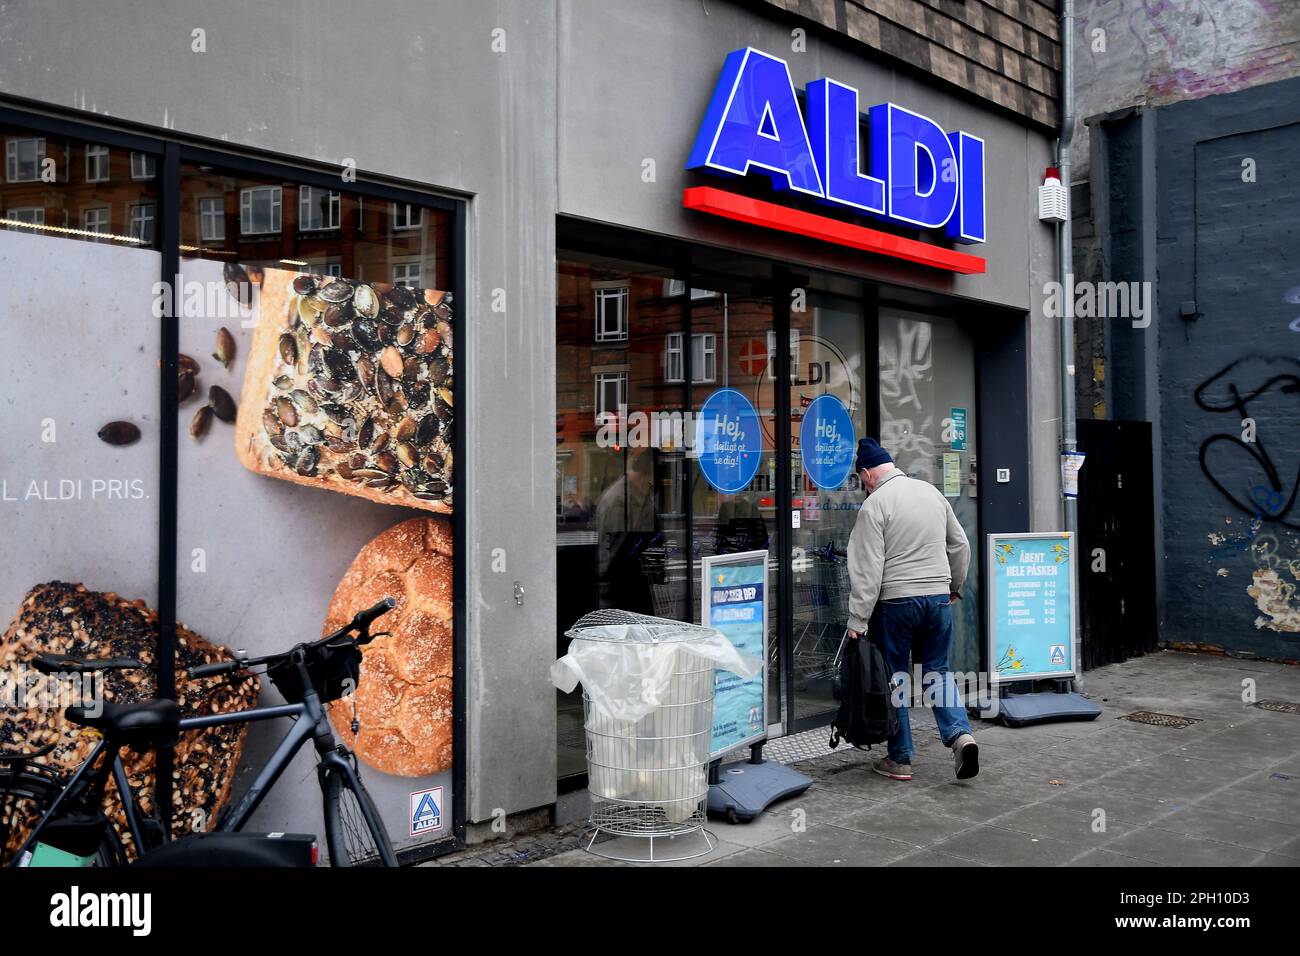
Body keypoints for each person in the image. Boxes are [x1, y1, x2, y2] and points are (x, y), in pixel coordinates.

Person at [845, 437, 978, 782]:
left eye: (862, 481)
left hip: (897, 602)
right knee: (938, 671)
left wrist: (857, 619)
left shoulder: (875, 506)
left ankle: (900, 758)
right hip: (937, 599)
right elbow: (960, 545)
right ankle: (960, 736)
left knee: (896, 676)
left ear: (867, 474)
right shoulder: (931, 493)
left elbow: (867, 570)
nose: (864, 486)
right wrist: (952, 588)